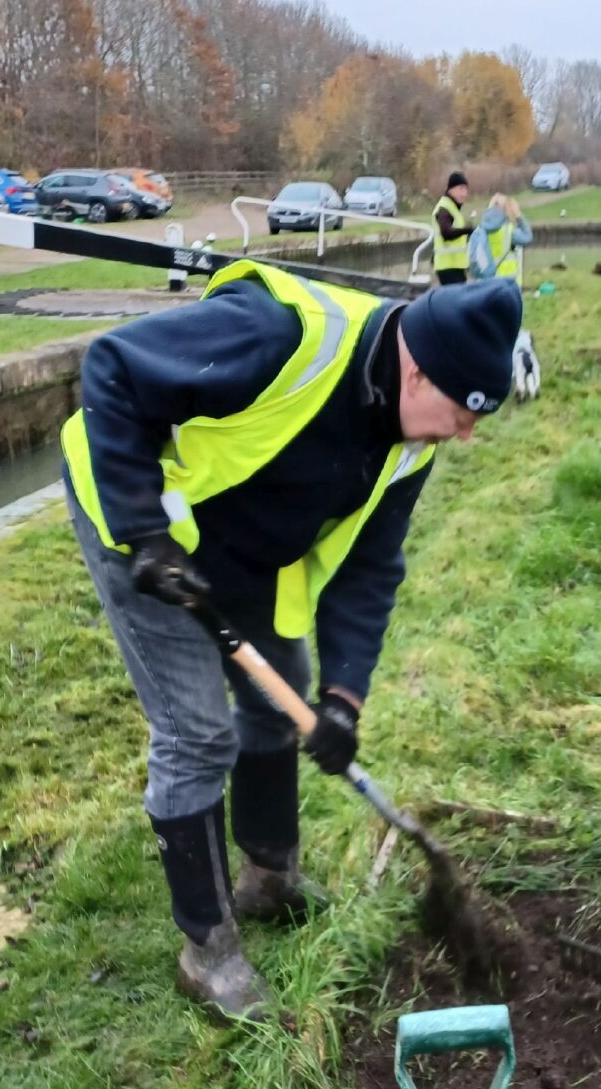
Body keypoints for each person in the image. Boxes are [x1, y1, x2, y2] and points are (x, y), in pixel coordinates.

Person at [61, 259, 523, 1021]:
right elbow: (112, 368)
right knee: (197, 733)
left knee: (284, 693)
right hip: (142, 526)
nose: (467, 434)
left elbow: (370, 566)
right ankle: (207, 952)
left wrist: (343, 699)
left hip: (244, 545)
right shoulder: (279, 337)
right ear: (418, 375)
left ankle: (270, 878)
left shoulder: (413, 442)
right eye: (464, 412)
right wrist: (143, 528)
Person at [468, 193, 533, 281]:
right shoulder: (508, 231)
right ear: (506, 210)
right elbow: (527, 237)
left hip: (485, 281)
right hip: (505, 282)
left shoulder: (479, 230)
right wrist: (518, 214)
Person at [432, 171, 474, 286]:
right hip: (448, 267)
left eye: (466, 189)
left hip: (455, 266)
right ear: (451, 190)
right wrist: (467, 230)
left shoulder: (453, 208)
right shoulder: (444, 208)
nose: (464, 193)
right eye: (461, 189)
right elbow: (446, 233)